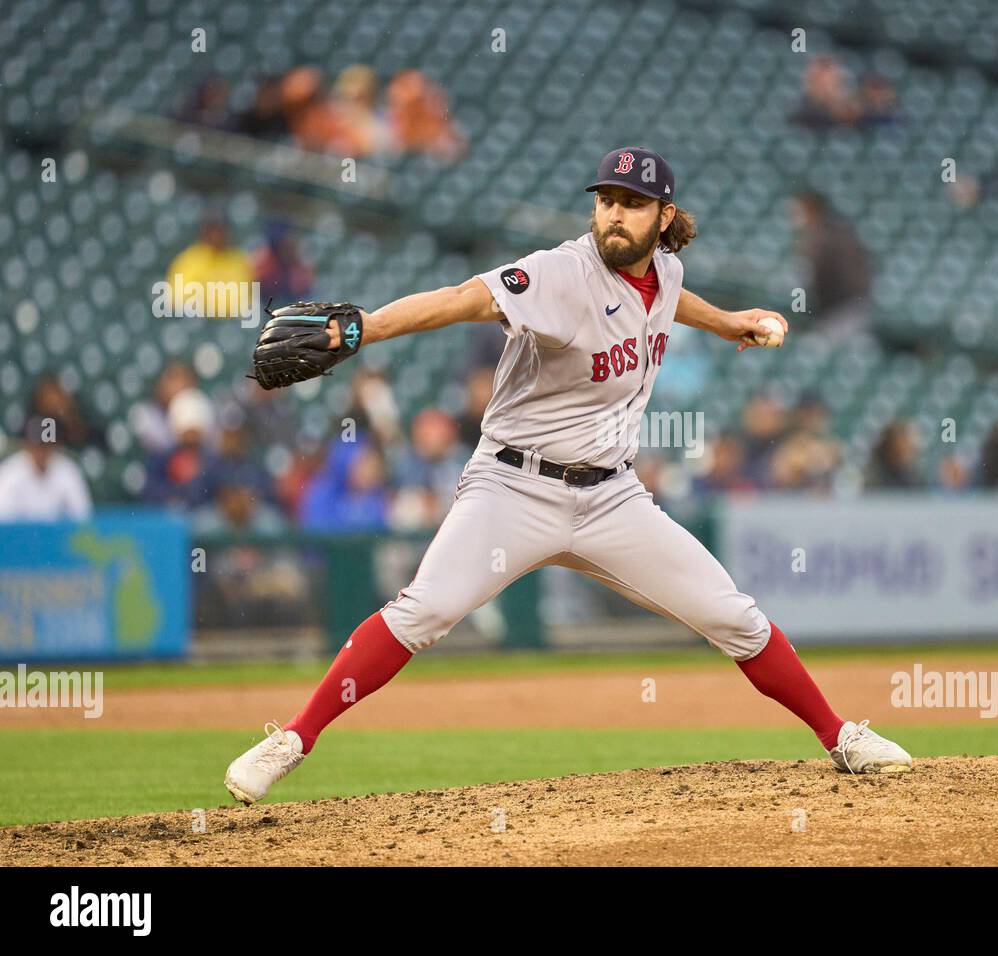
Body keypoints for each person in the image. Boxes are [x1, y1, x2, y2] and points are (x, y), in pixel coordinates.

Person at [225, 146, 913, 804]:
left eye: (633, 204)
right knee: (425, 610)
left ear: (664, 218)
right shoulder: (558, 274)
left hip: (611, 498)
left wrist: (730, 321)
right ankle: (291, 740)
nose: (615, 213)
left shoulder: (664, 274)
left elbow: (671, 297)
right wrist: (366, 329)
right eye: (607, 200)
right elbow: (467, 297)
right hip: (513, 487)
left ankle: (840, 736)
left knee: (730, 613)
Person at [790, 190, 872, 336]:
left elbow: (806, 279)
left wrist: (799, 310)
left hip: (841, 310)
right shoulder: (837, 232)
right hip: (850, 307)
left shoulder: (821, 237)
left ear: (812, 209)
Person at [164, 210, 254, 318]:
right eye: (213, 229)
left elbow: (243, 302)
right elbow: (178, 300)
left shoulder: (239, 261)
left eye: (220, 230)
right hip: (196, 322)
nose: (217, 235)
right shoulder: (189, 261)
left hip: (230, 322)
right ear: (205, 231)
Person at [0, 417, 93, 522]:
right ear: (27, 445)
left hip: (59, 537)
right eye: (37, 446)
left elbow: (82, 516)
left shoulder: (68, 471)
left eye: (46, 446)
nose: (41, 452)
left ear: (55, 446)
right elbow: (3, 521)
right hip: (19, 537)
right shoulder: (9, 473)